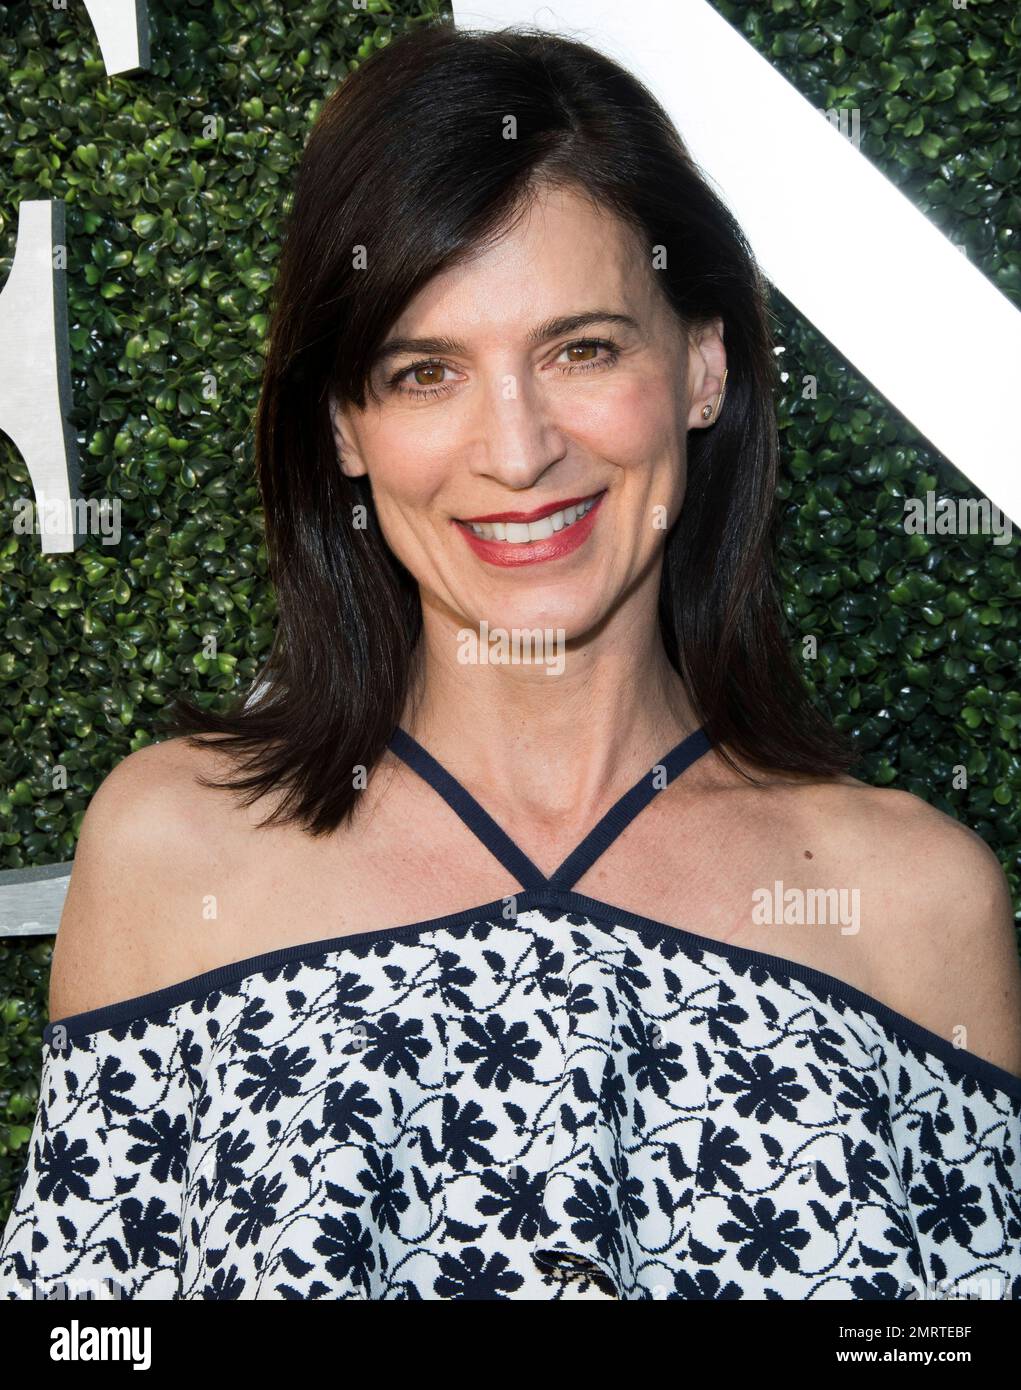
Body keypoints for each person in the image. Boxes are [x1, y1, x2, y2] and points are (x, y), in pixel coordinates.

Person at [2, 21, 1019, 1301]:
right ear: (345, 429)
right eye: (425, 372)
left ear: (702, 365)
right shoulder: (170, 849)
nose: (518, 447)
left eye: (581, 348)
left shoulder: (916, 902)